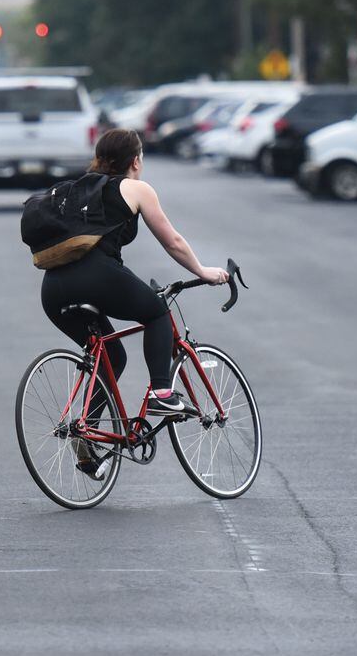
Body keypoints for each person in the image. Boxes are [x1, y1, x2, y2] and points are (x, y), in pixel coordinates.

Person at [40, 128, 229, 476]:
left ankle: (86, 432)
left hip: (53, 288)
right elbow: (172, 241)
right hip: (97, 276)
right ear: (136, 160)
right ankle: (161, 391)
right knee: (156, 313)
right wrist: (203, 271)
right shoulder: (135, 188)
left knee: (110, 354)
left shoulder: (75, 190)